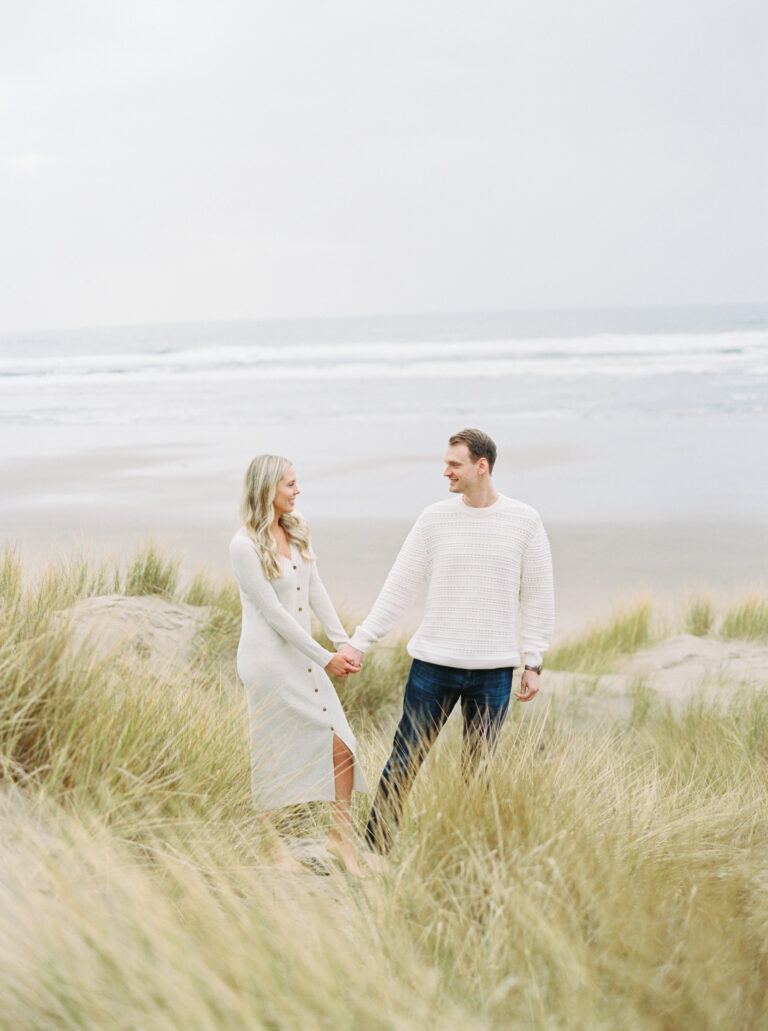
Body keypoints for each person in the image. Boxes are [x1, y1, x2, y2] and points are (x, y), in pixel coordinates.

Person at [340, 428, 555, 853]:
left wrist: (533, 662)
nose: (445, 473)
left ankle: (464, 857)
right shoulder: (434, 519)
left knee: (478, 773)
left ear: (482, 466)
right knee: (404, 761)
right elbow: (399, 587)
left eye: (454, 465)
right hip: (433, 667)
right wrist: (359, 641)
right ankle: (375, 851)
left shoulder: (525, 521)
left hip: (493, 672)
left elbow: (538, 595)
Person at [230, 454, 369, 874]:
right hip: (268, 662)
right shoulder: (244, 545)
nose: (297, 490)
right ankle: (271, 847)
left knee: (341, 741)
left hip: (305, 656)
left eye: (296, 483)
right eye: (290, 484)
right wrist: (325, 658)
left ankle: (340, 839)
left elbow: (315, 588)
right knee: (270, 749)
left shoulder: (295, 526)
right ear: (267, 489)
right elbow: (274, 614)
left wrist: (342, 641)